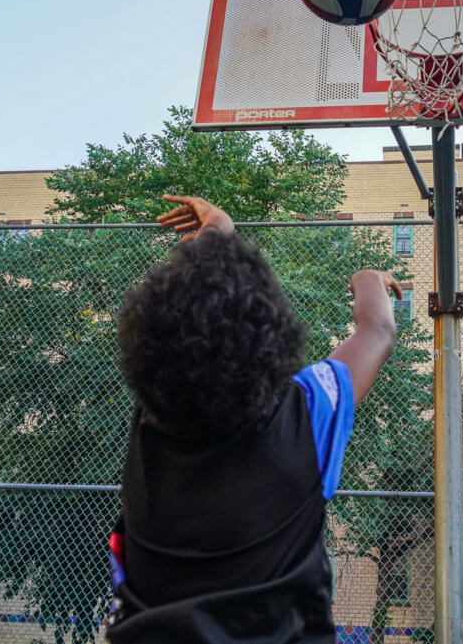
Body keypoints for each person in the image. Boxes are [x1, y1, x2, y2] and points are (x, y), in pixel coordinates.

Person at [104, 195, 401, 644]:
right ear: (276, 335)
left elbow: (186, 322)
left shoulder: (152, 419)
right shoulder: (306, 415)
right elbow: (377, 326)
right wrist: (368, 277)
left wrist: (219, 225)